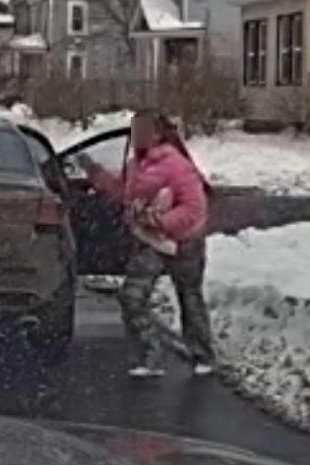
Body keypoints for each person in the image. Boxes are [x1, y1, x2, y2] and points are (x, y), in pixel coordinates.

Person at [77, 110, 215, 378]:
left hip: (185, 242)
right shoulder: (136, 164)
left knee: (189, 298)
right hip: (150, 242)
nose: (136, 136)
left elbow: (194, 207)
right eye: (133, 130)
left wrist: (162, 223)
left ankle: (203, 354)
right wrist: (95, 173)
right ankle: (149, 354)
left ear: (158, 134)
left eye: (142, 130)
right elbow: (123, 191)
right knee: (132, 296)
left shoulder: (176, 165)